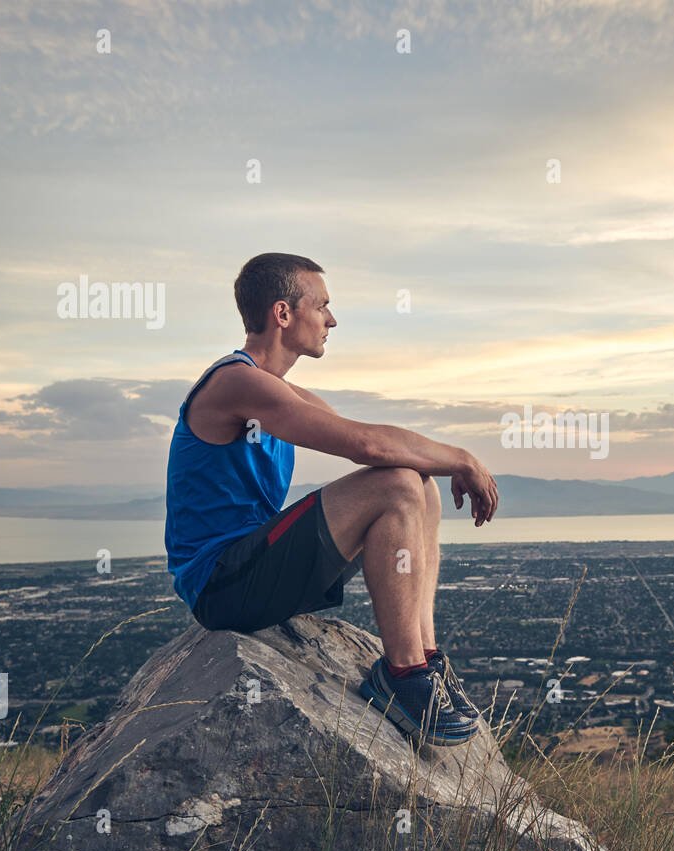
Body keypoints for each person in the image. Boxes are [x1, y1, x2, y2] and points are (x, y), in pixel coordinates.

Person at [164, 252, 499, 747]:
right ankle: (403, 676)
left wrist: (437, 464)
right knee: (398, 484)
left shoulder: (280, 391)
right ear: (283, 313)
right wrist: (462, 459)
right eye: (321, 306)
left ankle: (423, 662)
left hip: (253, 570)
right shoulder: (236, 382)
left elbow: (371, 442)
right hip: (222, 583)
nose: (332, 319)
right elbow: (365, 445)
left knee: (417, 483)